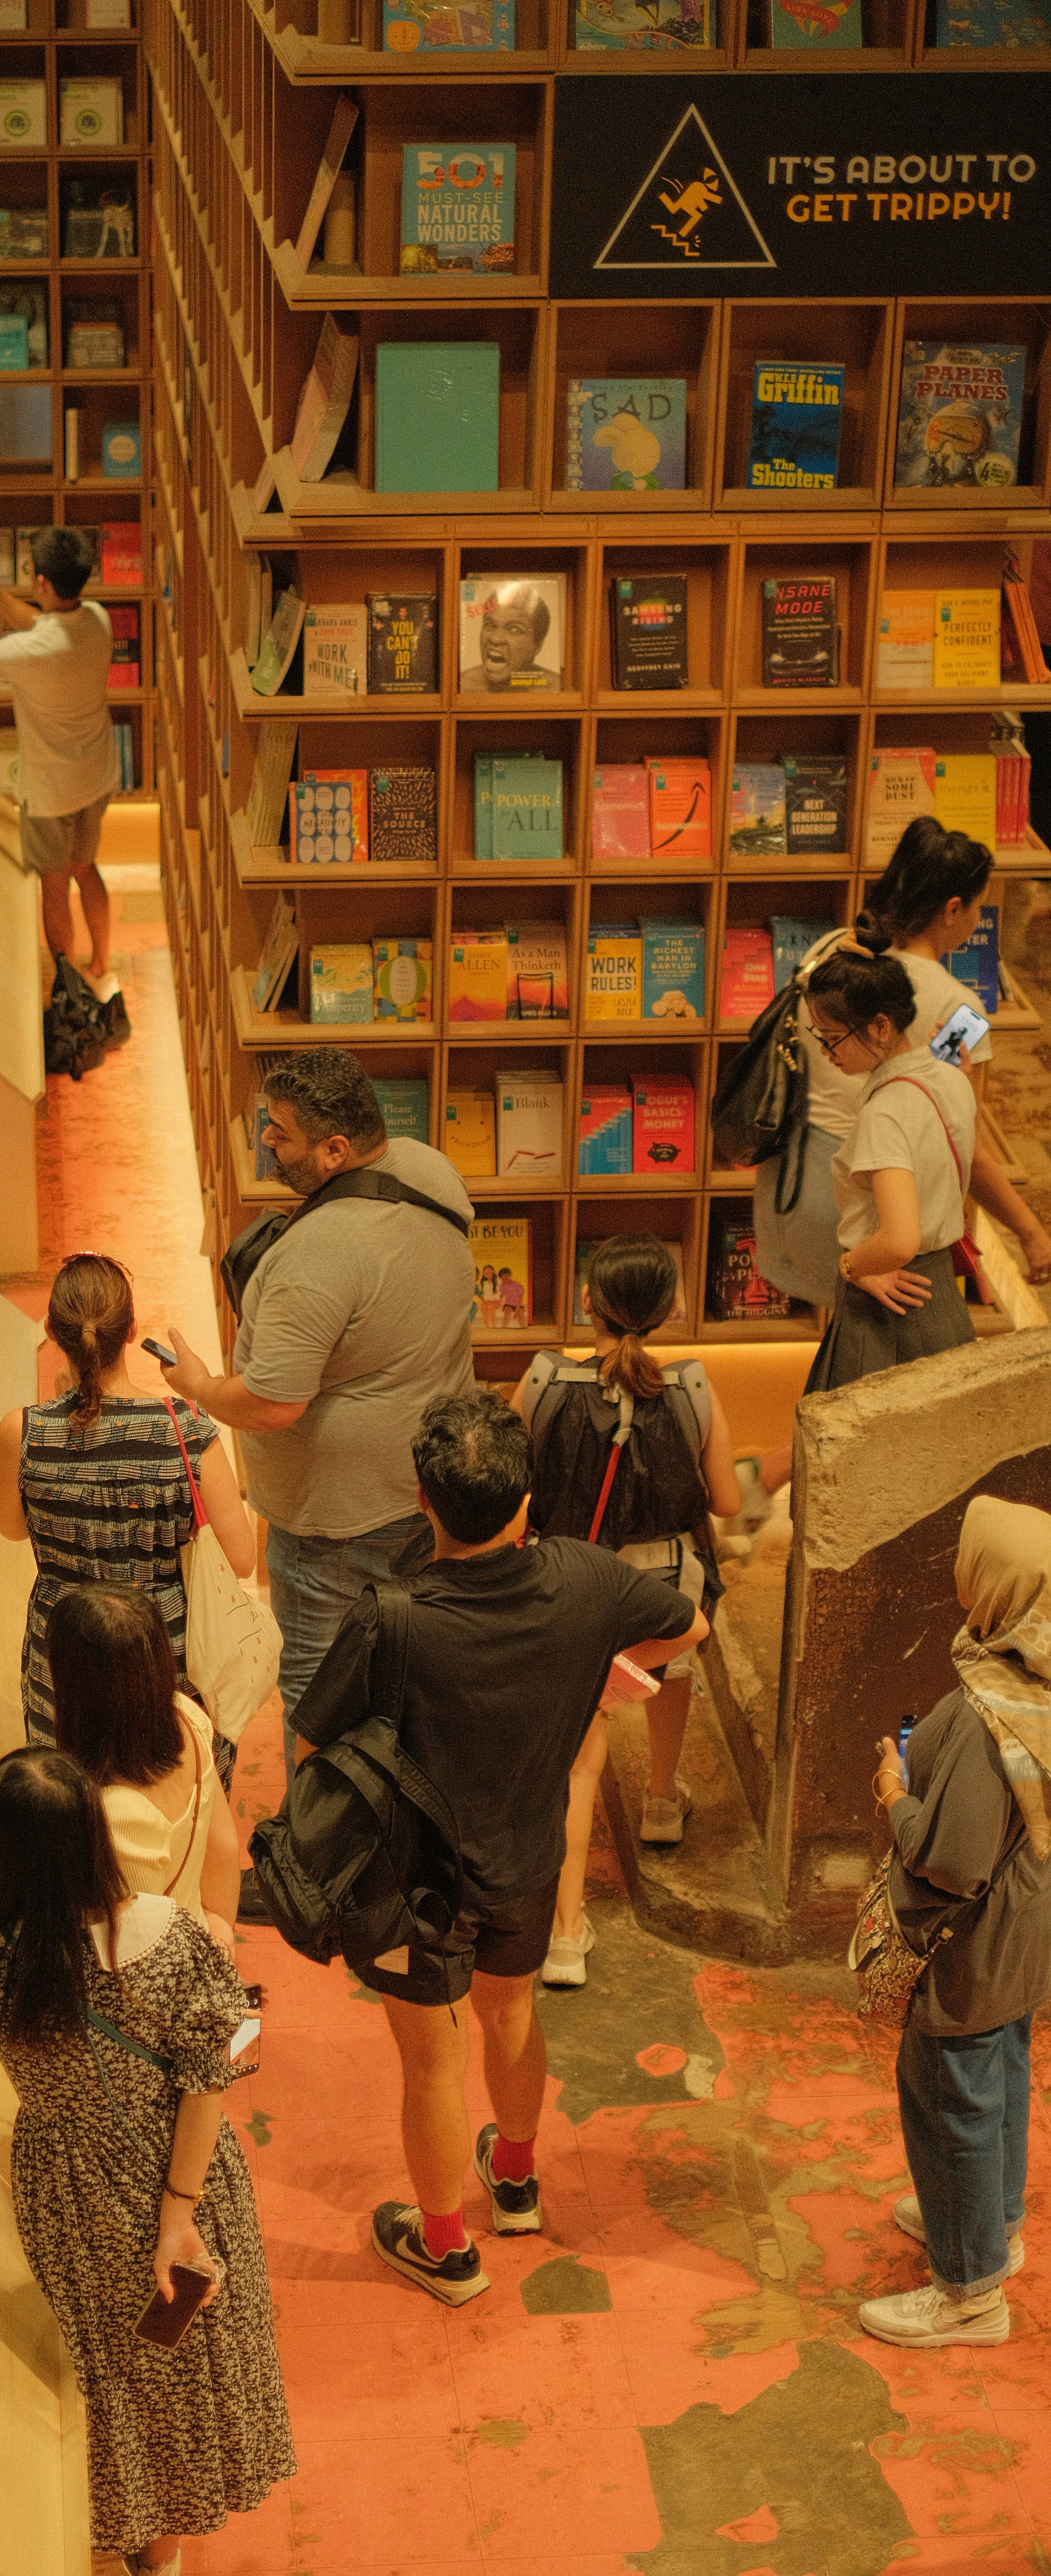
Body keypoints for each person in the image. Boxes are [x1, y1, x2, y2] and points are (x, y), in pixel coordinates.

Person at [288, 1391, 705, 2305]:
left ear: (424, 1502)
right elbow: (688, 1626)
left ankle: (445, 2251)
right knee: (510, 2020)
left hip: (414, 1888)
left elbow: (313, 1749)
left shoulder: (391, 1616)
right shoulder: (584, 1581)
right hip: (526, 1858)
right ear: (524, 1503)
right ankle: (514, 2182)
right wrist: (595, 1676)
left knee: (430, 2062)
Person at [0, 1745, 296, 2571]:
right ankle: (162, 2552)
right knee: (185, 2363)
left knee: (115, 2378)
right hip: (190, 2181)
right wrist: (178, 2217)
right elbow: (213, 2071)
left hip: (74, 2196)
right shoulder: (172, 1933)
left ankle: (130, 2540)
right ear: (93, 1833)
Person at [162, 1048, 475, 1793]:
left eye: (281, 1134)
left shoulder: (317, 1256)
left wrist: (202, 1386)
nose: (266, 1142)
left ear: (336, 1149)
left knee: (315, 1688)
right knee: (409, 1671)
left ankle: (315, 1854)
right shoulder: (429, 1170)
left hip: (336, 1526)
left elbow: (274, 1403)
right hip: (427, 1493)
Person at [511, 1234, 743, 1987]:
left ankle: (567, 1935)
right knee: (670, 1672)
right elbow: (730, 1503)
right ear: (675, 1310)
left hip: (566, 1581)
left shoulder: (544, 1380)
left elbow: (513, 1489)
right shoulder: (698, 1388)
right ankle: (661, 1801)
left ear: (588, 1304)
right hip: (668, 1581)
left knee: (580, 1757)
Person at [859, 1496, 1051, 2352]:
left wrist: (897, 1801)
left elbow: (950, 1863)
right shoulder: (1033, 1674)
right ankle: (989, 2225)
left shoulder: (987, 1719)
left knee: (951, 2094)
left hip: (972, 1944)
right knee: (1001, 2073)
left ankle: (969, 2293)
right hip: (1027, 1931)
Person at [752, 828, 1050, 1318]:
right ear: (952, 909)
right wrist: (1030, 1231)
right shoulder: (958, 1009)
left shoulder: (833, 949)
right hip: (877, 1207)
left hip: (792, 1186)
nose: (978, 919)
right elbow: (967, 1148)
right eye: (977, 907)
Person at [0, 1251, 253, 1746]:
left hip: (64, 1659)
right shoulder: (187, 1429)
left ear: (52, 1329)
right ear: (131, 1331)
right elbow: (239, 1559)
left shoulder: (23, 1432)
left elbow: (10, 1524)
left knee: (74, 1802)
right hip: (165, 1665)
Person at [0, 520, 127, 1034]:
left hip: (51, 792)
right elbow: (39, 624)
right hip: (98, 775)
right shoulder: (98, 620)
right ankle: (102, 965)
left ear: (42, 583)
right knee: (87, 868)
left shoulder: (31, 654)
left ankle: (67, 988)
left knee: (53, 885)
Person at [800, 929, 977, 1394]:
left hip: (887, 1306)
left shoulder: (884, 1114)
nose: (826, 1052)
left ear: (880, 1026)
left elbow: (899, 1241)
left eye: (834, 1039)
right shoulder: (953, 1078)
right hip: (941, 1292)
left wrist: (852, 1267)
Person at [48, 1584, 242, 1953]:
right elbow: (224, 1848)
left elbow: (139, 1953)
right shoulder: (185, 1716)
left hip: (158, 1993)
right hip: (195, 1951)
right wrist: (218, 1935)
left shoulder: (114, 1813)